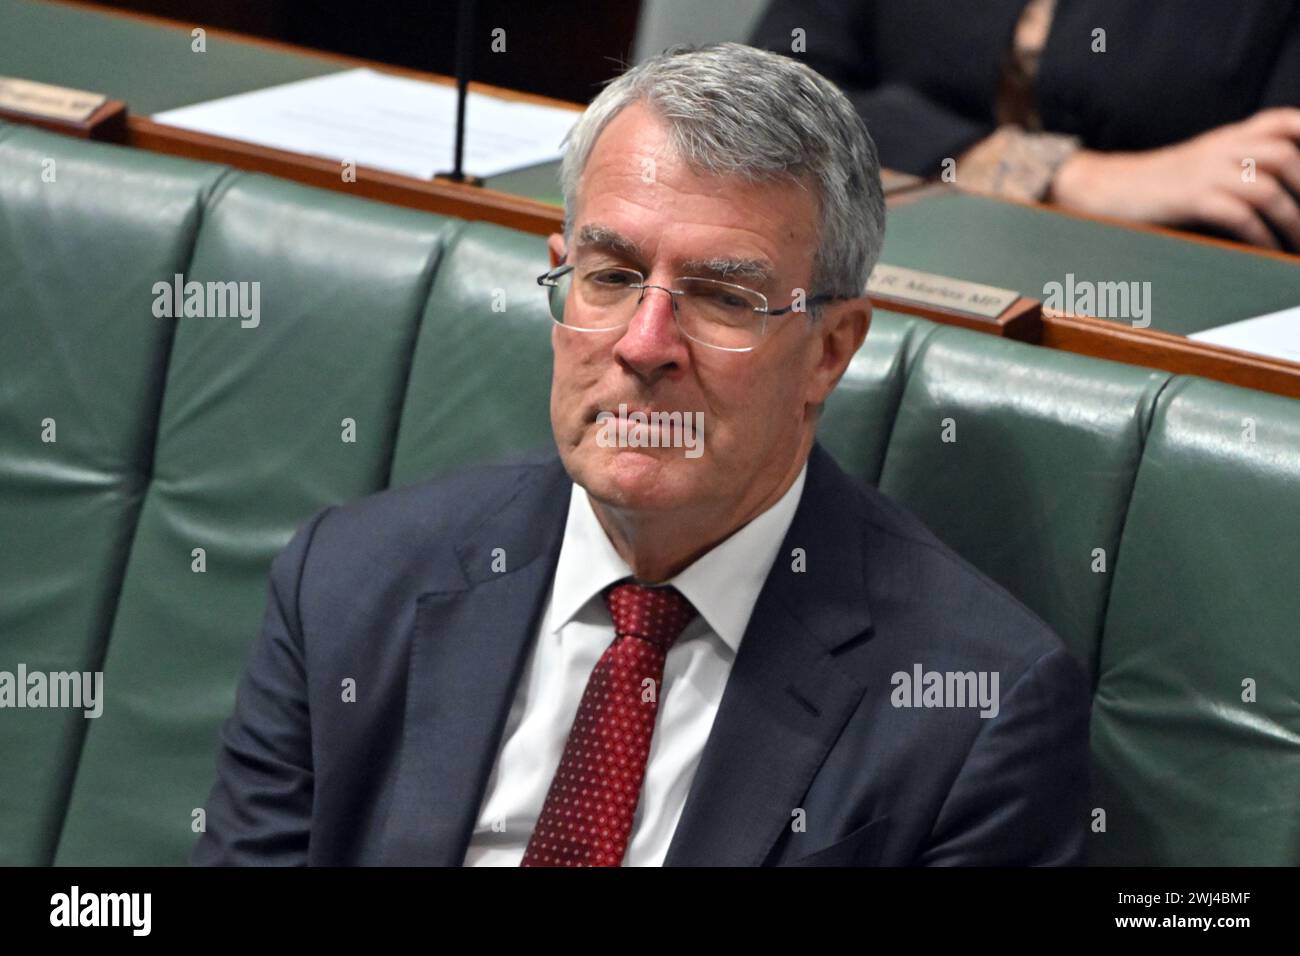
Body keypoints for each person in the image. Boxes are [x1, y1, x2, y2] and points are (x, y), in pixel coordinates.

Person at [191, 42, 1089, 867]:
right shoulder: (348, 583)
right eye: (612, 277)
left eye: (722, 299)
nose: (644, 343)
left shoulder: (976, 711)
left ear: (830, 348)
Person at [752, 0, 1300, 251]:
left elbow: (1271, 175)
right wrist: (1067, 177)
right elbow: (772, 93)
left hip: (1155, 317)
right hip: (880, 264)